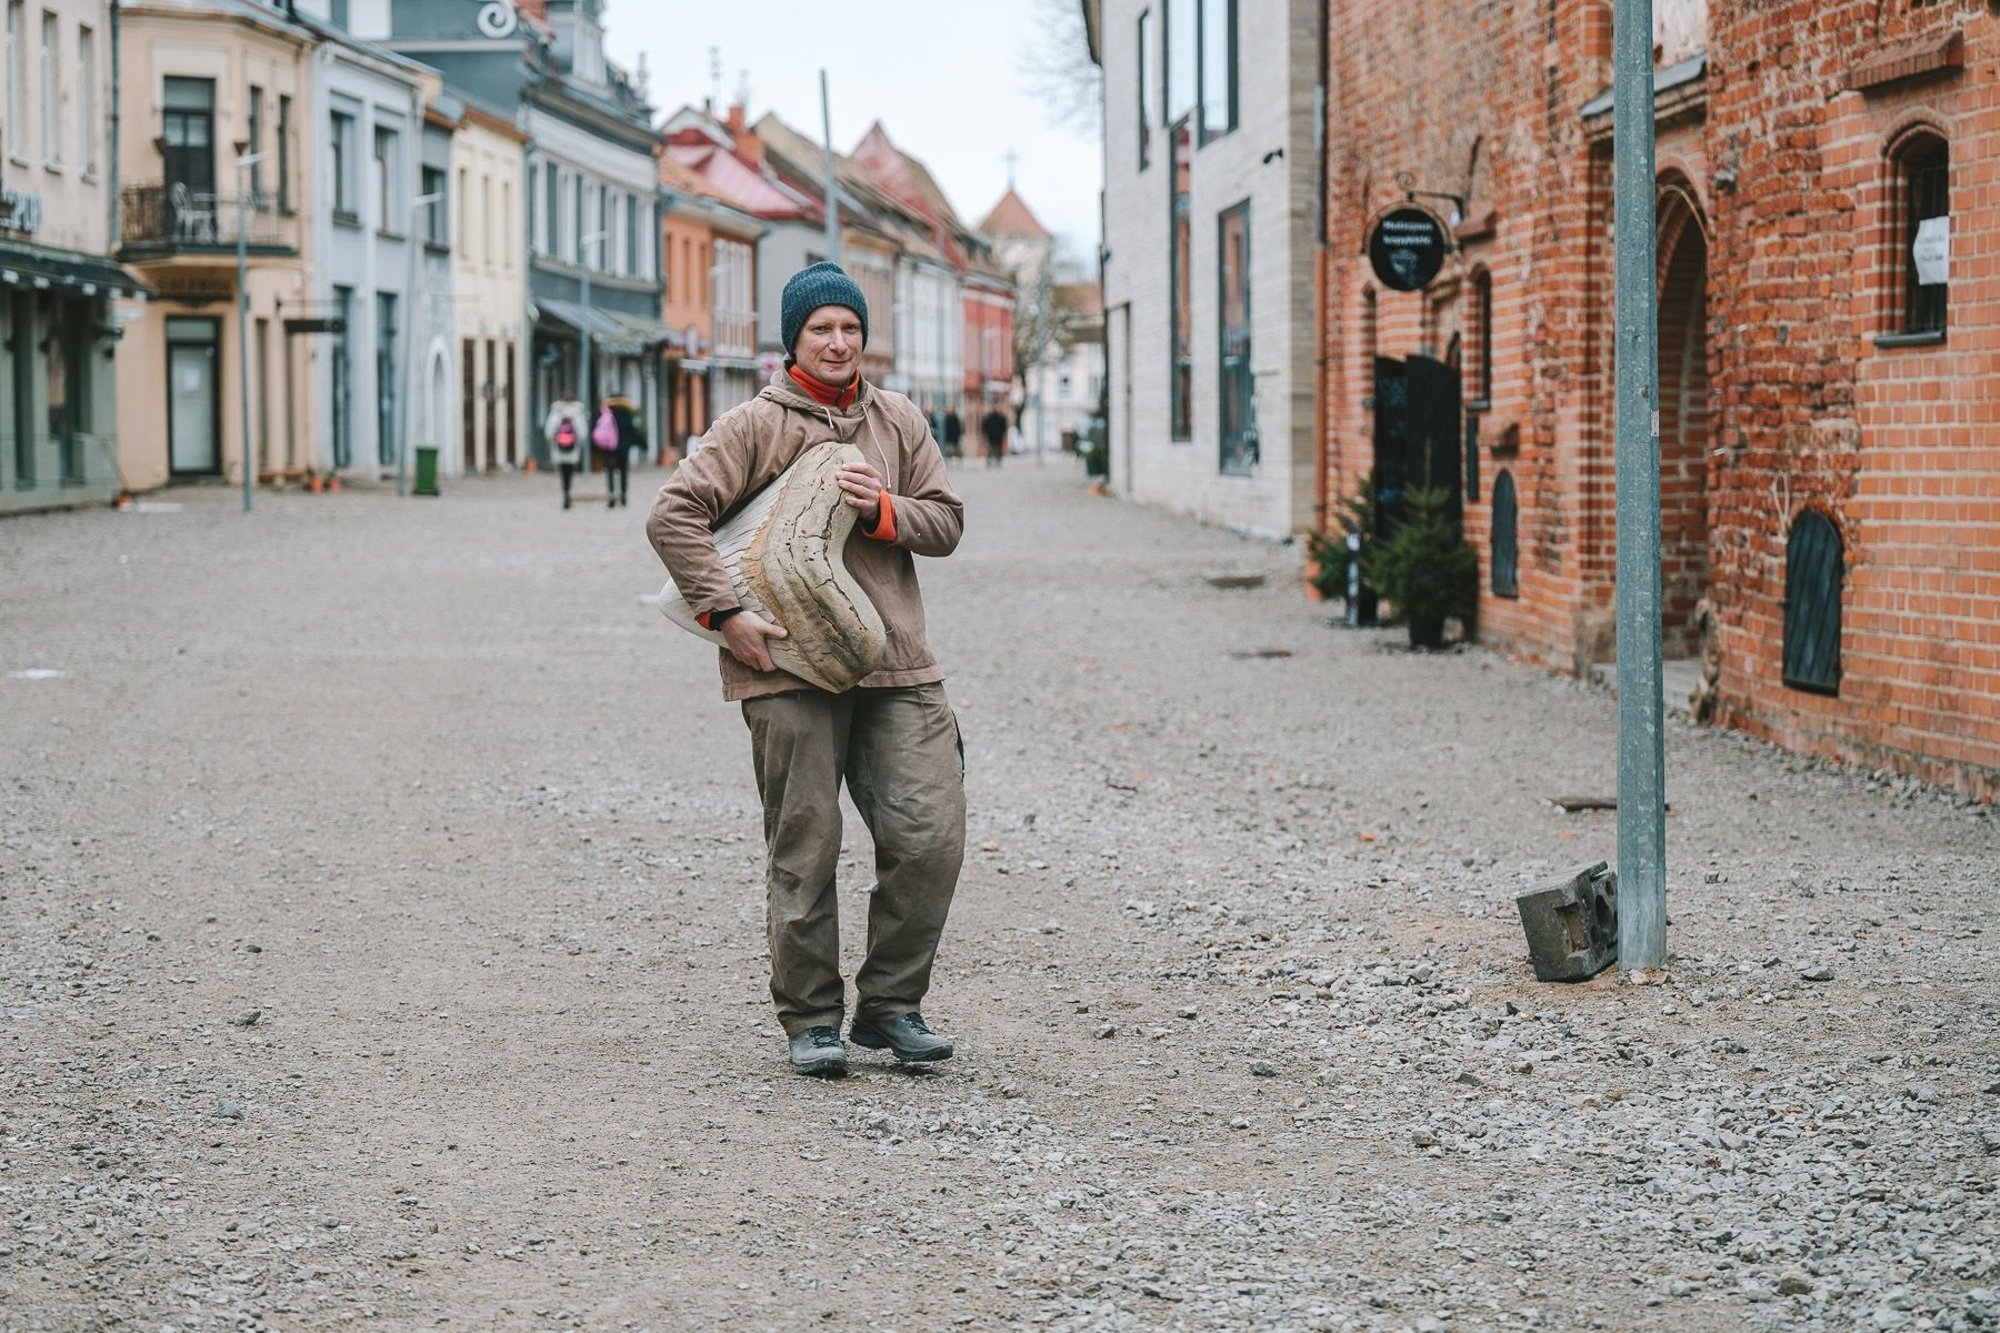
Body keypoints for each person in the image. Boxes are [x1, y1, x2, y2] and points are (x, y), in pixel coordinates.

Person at [646, 261, 967, 1079]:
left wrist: (884, 510)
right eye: (820, 328)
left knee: (929, 834)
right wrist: (726, 614)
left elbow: (947, 522)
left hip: (895, 663)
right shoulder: (752, 424)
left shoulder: (897, 419)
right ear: (794, 338)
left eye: (849, 328)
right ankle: (814, 1018)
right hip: (783, 660)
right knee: (806, 842)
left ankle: (892, 1006)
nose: (837, 341)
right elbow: (674, 514)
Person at [600, 390, 643, 507]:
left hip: (609, 448)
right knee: (623, 471)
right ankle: (623, 495)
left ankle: (611, 494)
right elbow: (632, 431)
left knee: (610, 471)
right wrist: (642, 443)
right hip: (623, 448)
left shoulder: (605, 412)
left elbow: (598, 429)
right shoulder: (626, 412)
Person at [544, 395, 588, 509]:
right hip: (573, 449)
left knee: (563, 472)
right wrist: (576, 440)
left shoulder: (556, 411)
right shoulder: (577, 412)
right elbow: (582, 433)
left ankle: (565, 491)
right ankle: (568, 490)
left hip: (558, 448)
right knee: (569, 472)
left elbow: (549, 431)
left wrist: (555, 440)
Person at [979, 403, 1008, 469]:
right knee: (992, 449)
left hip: (995, 436)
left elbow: (1003, 427)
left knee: (996, 449)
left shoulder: (998, 417)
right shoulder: (991, 417)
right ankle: (991, 461)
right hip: (993, 436)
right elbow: (984, 426)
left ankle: (996, 461)